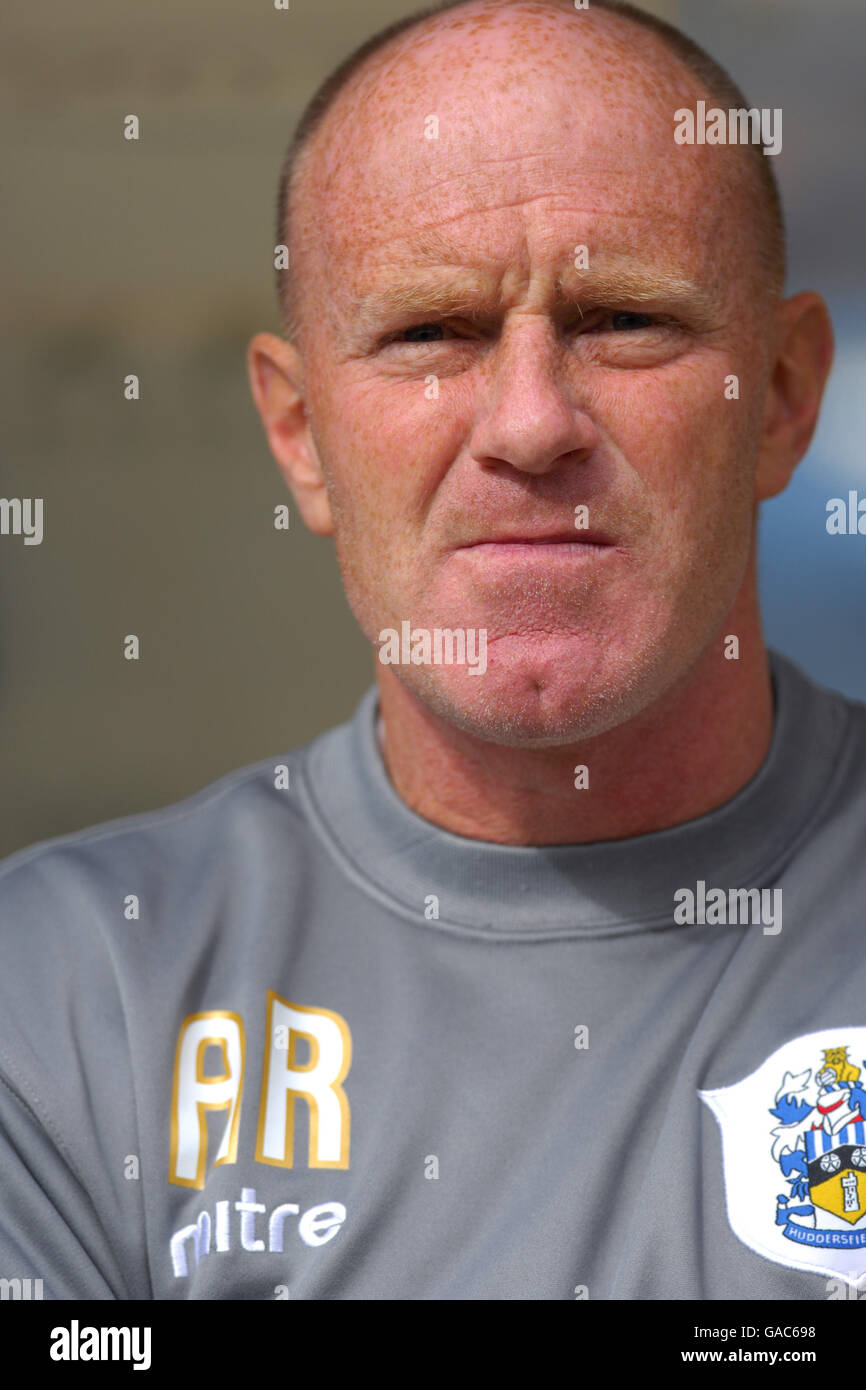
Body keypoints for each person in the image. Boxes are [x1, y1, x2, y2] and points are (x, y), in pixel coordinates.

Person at [0, 0, 862, 1302]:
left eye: (623, 319)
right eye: (429, 334)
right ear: (300, 435)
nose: (530, 424)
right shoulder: (61, 998)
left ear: (784, 397)